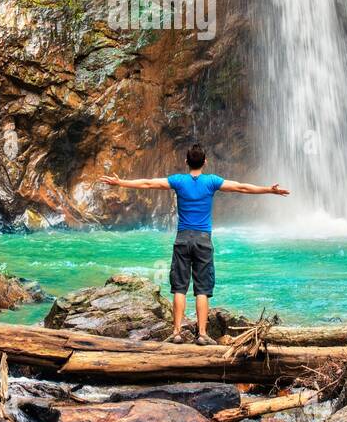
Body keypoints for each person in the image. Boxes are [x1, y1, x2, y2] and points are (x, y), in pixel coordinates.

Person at [100, 143, 289, 344]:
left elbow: (148, 184)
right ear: (205, 162)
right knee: (202, 289)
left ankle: (177, 333)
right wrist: (269, 190)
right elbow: (241, 187)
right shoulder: (212, 181)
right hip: (203, 240)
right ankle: (202, 334)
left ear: (186, 161)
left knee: (179, 287)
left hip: (182, 238)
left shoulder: (178, 181)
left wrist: (121, 183)